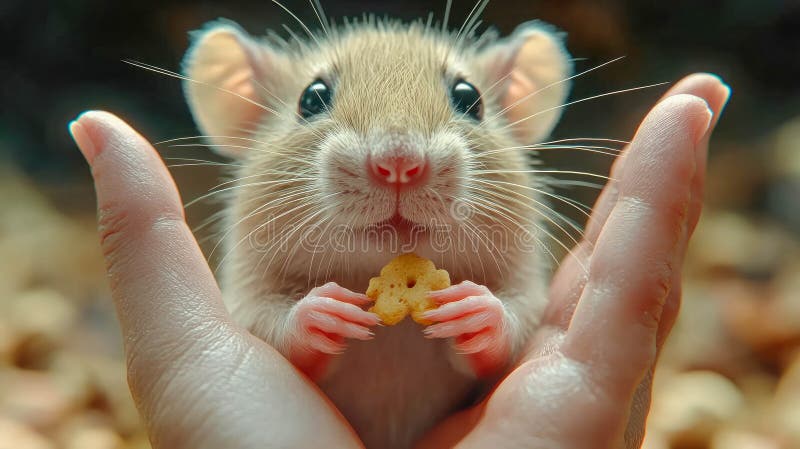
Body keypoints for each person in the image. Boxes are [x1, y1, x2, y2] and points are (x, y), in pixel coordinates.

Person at [68, 73, 730, 449]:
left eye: (466, 101)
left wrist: (497, 325)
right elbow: (249, 313)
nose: (398, 162)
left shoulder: (500, 239)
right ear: (241, 105)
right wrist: (288, 327)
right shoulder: (269, 243)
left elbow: (530, 310)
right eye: (317, 99)